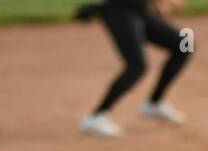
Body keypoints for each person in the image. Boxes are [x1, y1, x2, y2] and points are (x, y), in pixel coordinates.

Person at [76, 0, 192, 138]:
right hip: (119, 11)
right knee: (137, 66)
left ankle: (154, 103)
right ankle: (95, 117)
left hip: (138, 9)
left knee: (184, 45)